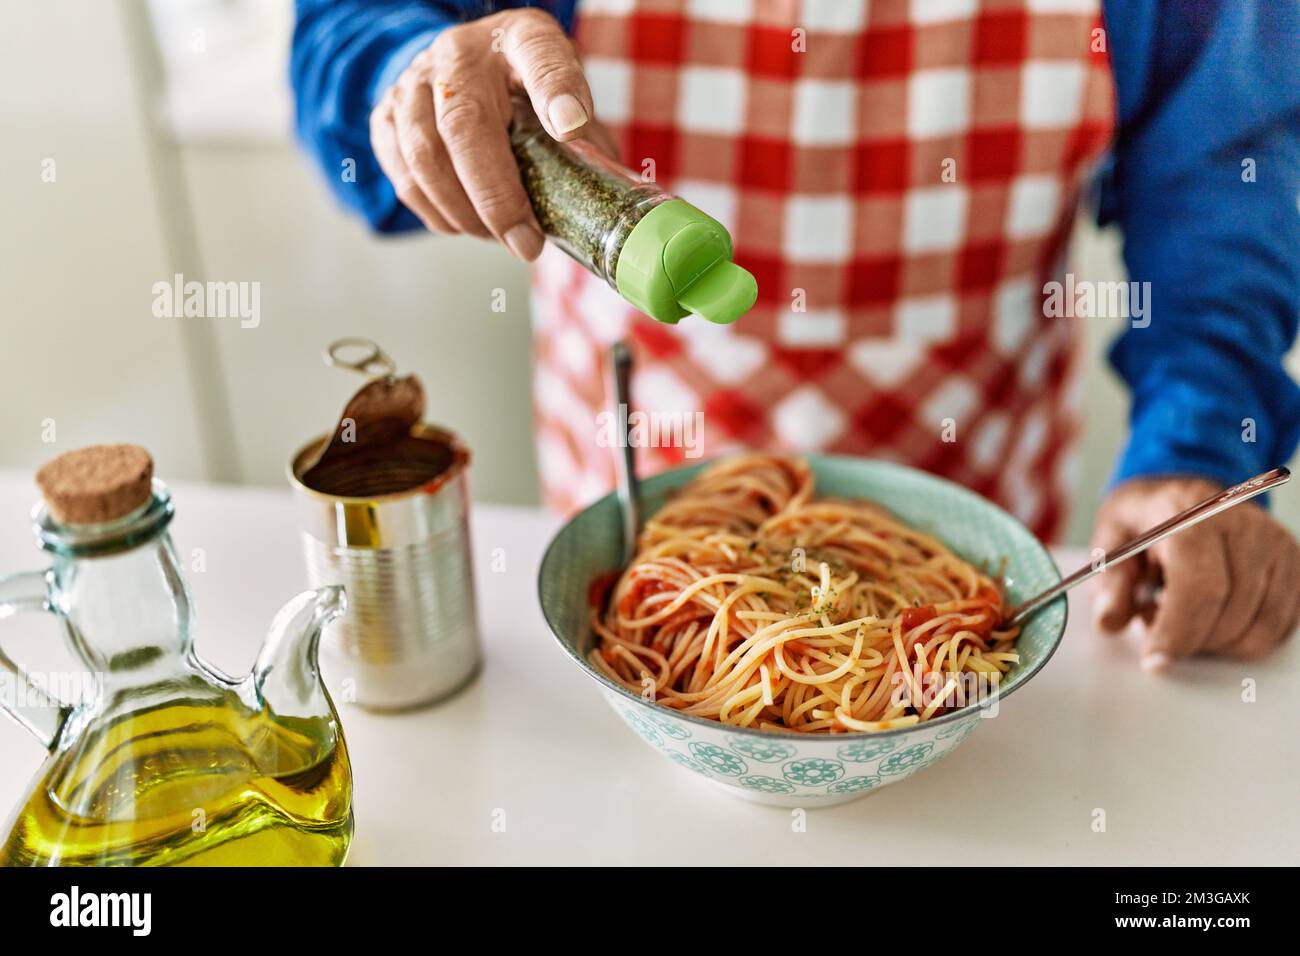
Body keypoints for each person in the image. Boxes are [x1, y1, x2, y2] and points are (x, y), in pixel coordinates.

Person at [291, 0, 1299, 670]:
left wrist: (1197, 444)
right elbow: (346, 34)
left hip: (978, 558)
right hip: (636, 546)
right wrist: (410, 85)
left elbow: (1222, 169)